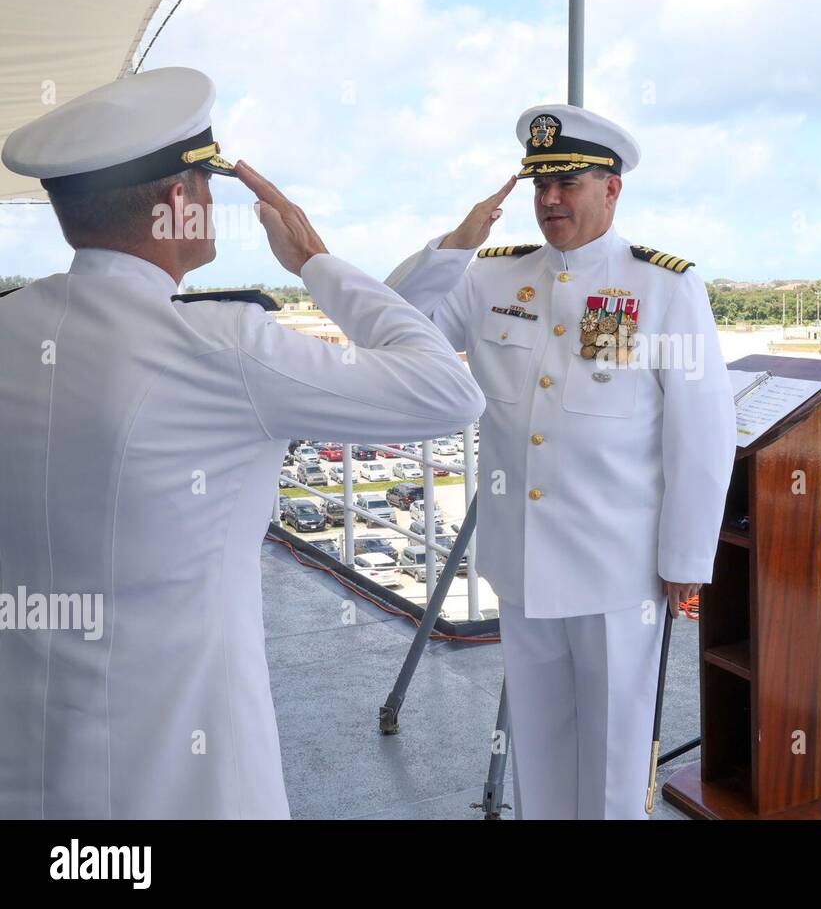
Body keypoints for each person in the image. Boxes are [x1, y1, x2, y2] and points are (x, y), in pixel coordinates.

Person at [0, 67, 485, 818]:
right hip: (184, 778)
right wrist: (315, 261)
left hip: (34, 766)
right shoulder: (221, 346)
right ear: (178, 202)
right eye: (207, 187)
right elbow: (448, 391)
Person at [386, 104, 736, 818]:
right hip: (522, 566)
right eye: (540, 184)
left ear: (611, 189)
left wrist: (685, 559)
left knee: (611, 767)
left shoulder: (663, 287)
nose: (550, 200)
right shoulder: (488, 279)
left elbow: (701, 429)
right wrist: (452, 245)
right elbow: (394, 324)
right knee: (538, 760)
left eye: (568, 183)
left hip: (619, 571)